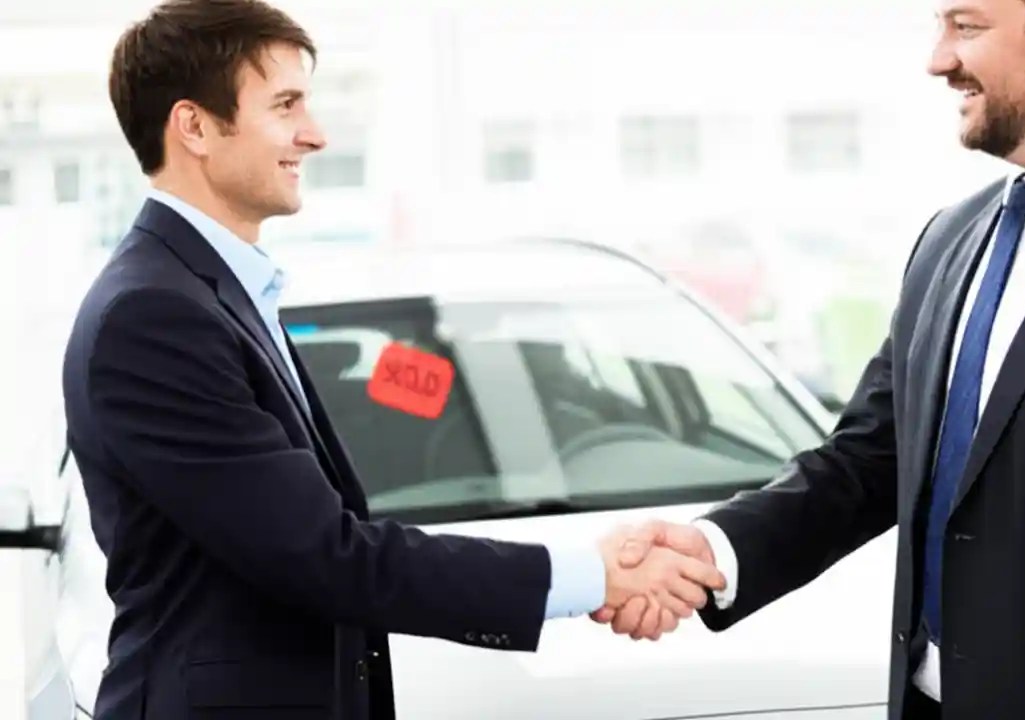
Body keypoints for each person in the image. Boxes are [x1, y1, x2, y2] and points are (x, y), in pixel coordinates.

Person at [597, 0, 1025, 718]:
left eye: (968, 26)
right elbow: (870, 460)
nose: (938, 58)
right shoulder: (952, 240)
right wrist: (713, 550)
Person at [60, 1, 722, 718]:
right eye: (285, 105)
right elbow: (323, 555)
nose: (314, 135)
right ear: (193, 126)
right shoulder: (155, 318)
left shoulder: (205, 293)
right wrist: (594, 574)